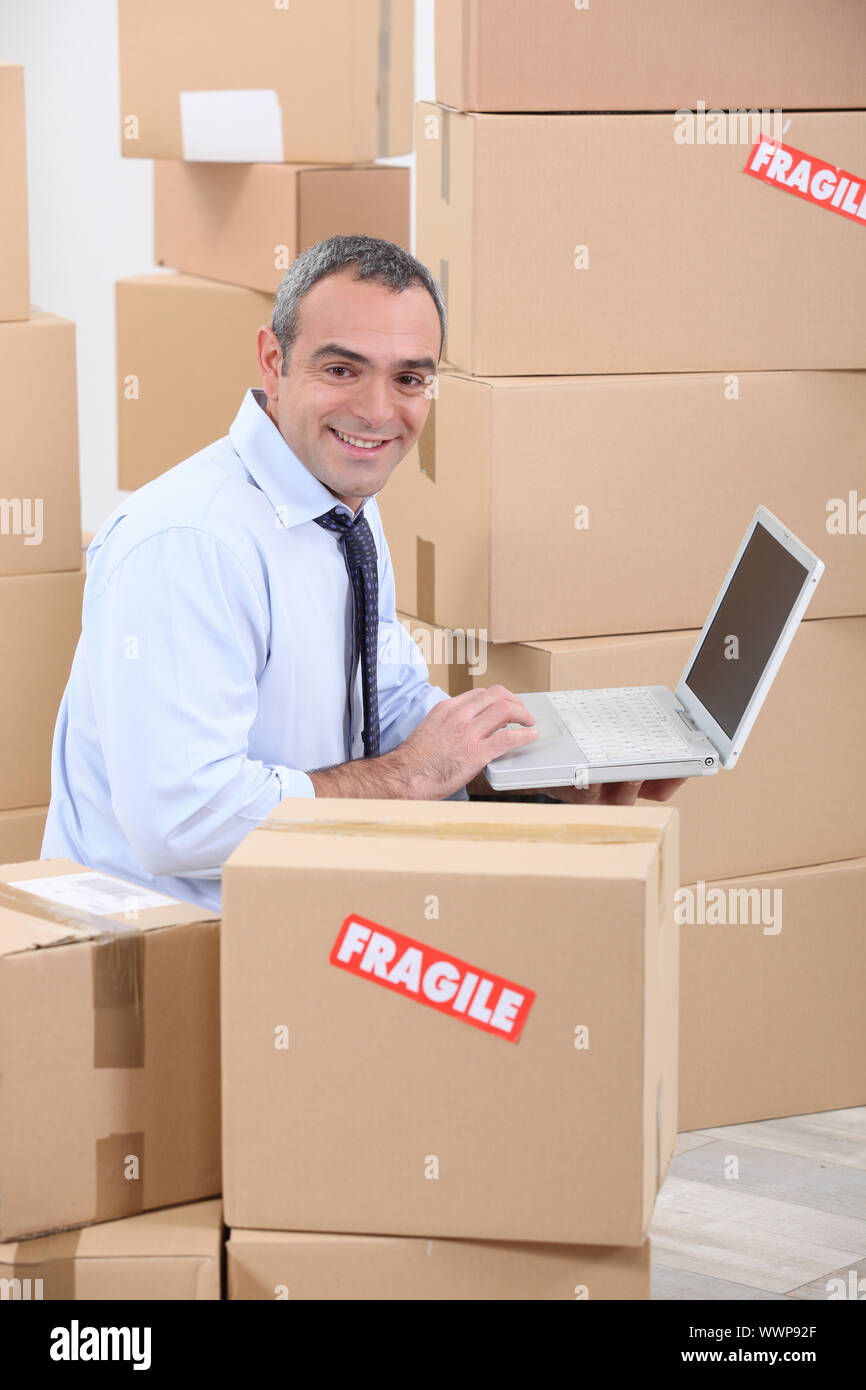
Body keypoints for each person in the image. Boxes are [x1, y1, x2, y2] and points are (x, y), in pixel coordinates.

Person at [42, 236, 683, 910]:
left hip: (298, 913)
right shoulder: (188, 545)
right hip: (169, 955)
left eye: (409, 379)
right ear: (273, 361)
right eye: (344, 370)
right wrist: (411, 777)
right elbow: (183, 823)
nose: (379, 413)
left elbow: (389, 698)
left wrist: (535, 767)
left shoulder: (340, 502)